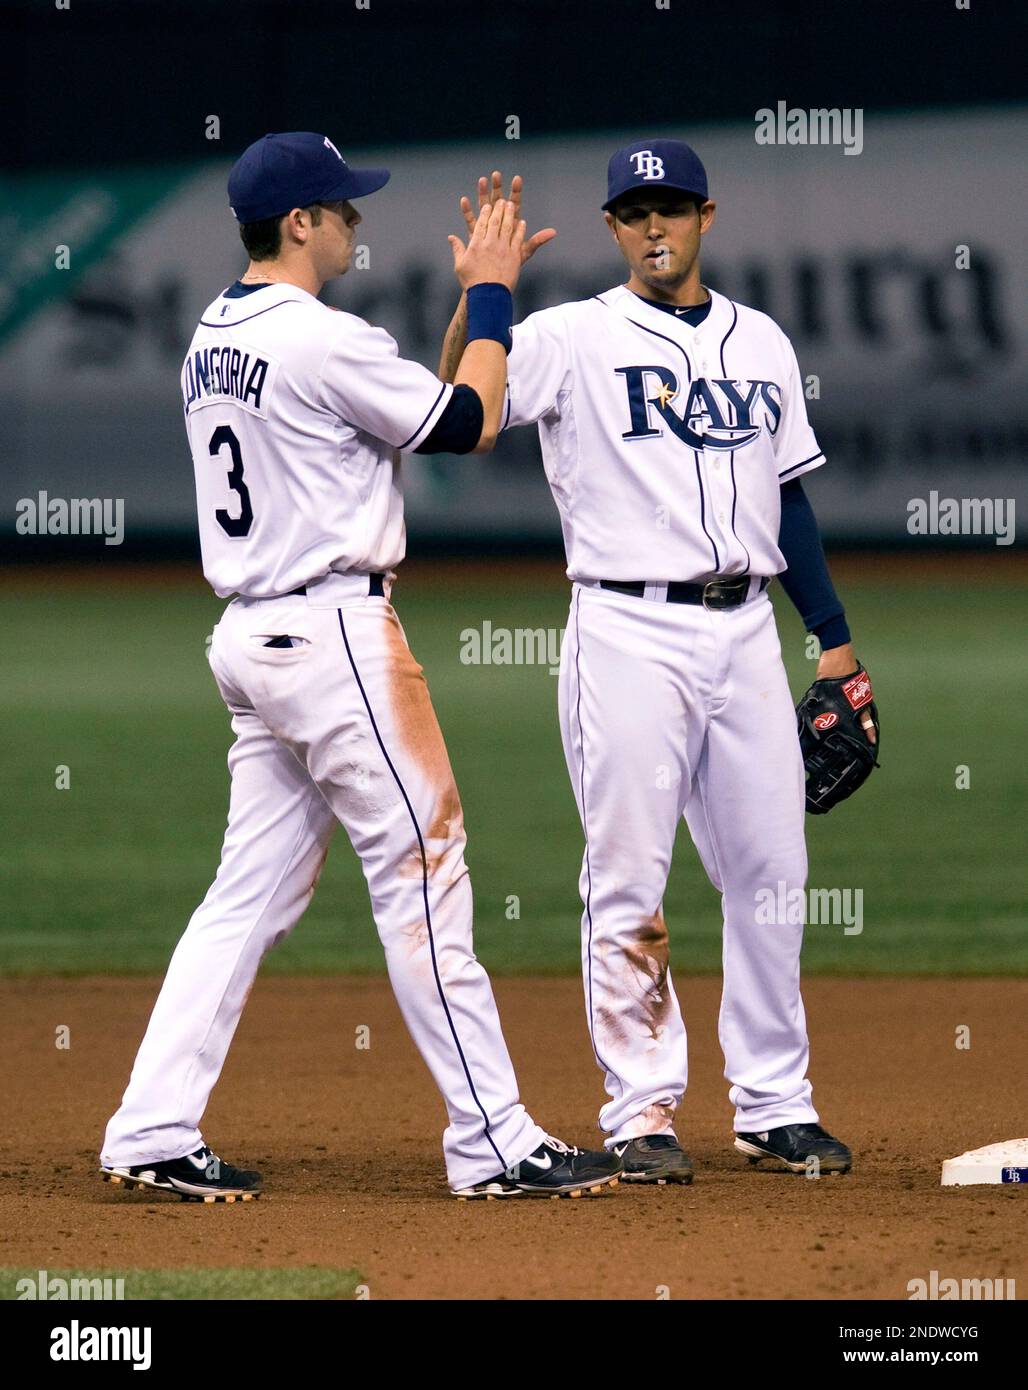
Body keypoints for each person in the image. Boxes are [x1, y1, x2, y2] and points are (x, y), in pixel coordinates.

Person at [99, 131, 621, 1203]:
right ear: (298, 223)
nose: (356, 221)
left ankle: (151, 1125)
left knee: (244, 895)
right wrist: (488, 292)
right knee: (424, 875)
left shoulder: (213, 331)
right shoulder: (316, 336)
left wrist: (474, 307)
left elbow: (422, 407)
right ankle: (492, 1141)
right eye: (341, 208)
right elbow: (469, 423)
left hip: (250, 638)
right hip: (334, 639)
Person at [440, 143, 878, 1183]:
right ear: (609, 227)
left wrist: (833, 636)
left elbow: (788, 497)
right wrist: (482, 296)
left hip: (745, 634)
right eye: (633, 211)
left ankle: (774, 1105)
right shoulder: (570, 335)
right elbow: (471, 403)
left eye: (669, 209)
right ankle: (639, 1110)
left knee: (772, 873)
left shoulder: (760, 340)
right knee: (628, 874)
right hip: (624, 631)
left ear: (704, 217)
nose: (652, 228)